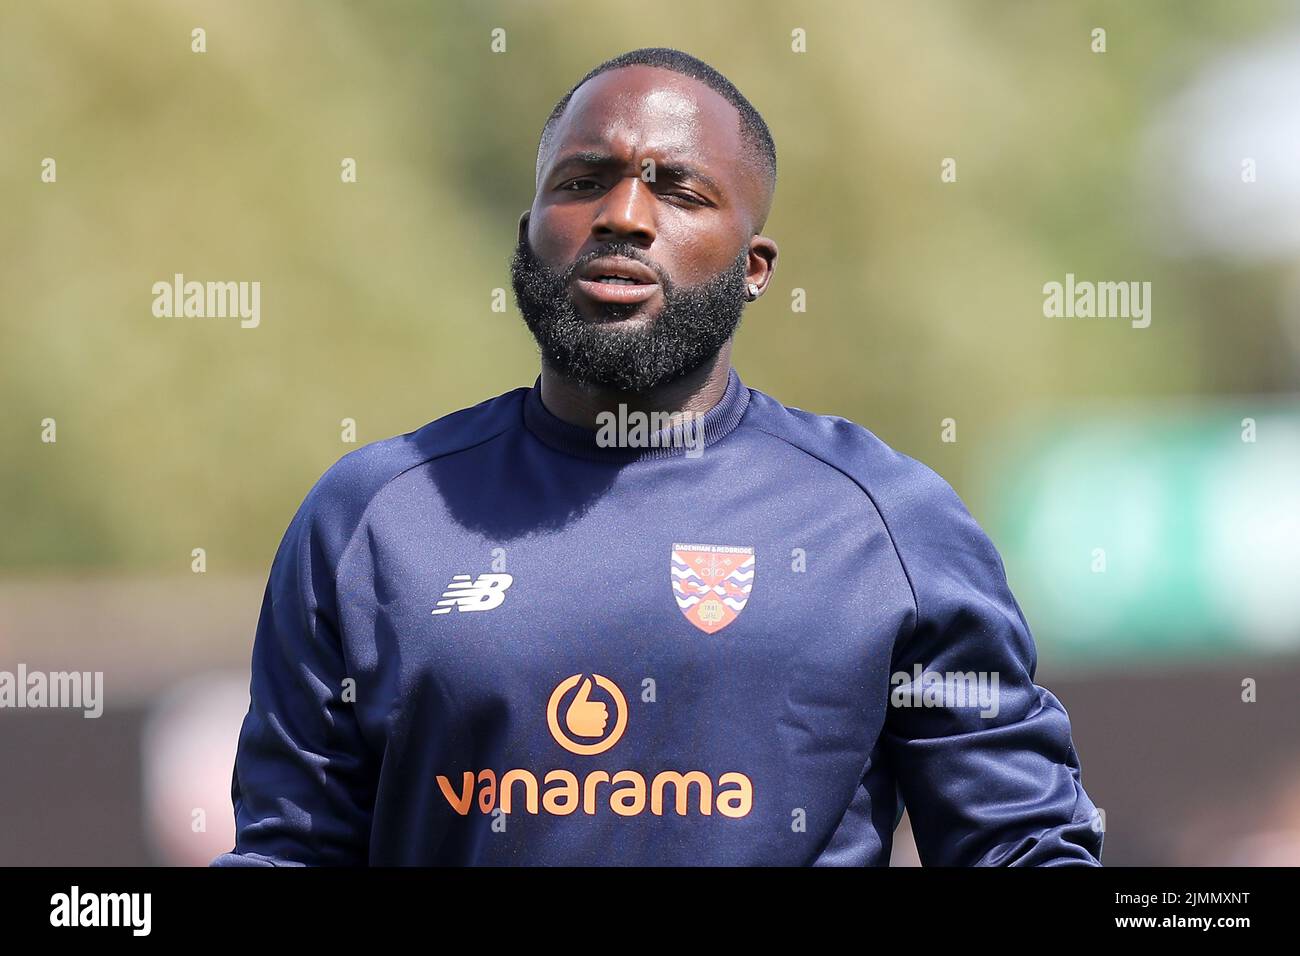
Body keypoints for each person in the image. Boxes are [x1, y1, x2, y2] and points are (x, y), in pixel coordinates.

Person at [212, 47, 1103, 866]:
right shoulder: (374, 515)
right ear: (527, 230)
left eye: (678, 190)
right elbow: (292, 850)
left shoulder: (887, 523)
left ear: (754, 266)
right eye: (583, 181)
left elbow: (1021, 849)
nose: (623, 216)